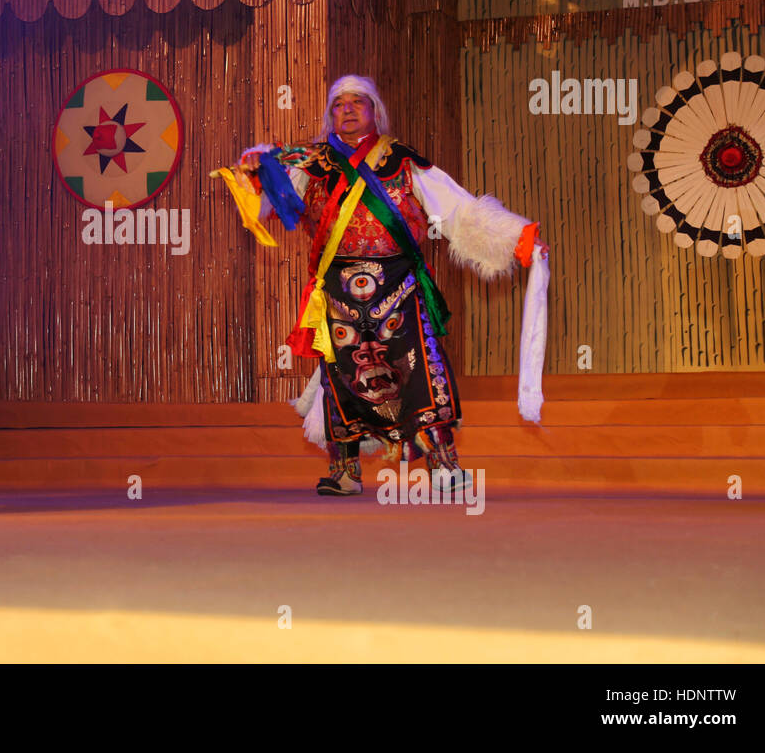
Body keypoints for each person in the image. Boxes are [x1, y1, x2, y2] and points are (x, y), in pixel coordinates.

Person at [227, 75, 549, 497]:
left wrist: (517, 237)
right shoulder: (312, 163)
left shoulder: (401, 159)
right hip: (337, 290)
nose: (347, 109)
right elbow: (270, 197)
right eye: (338, 104)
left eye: (357, 102)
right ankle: (344, 470)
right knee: (341, 379)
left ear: (374, 110)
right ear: (330, 114)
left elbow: (457, 209)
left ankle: (443, 464)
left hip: (398, 287)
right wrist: (258, 167)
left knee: (420, 374)